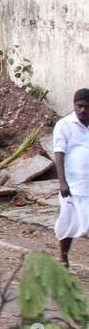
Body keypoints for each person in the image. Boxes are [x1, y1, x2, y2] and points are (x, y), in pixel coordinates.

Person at [53, 88, 89, 267]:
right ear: (74, 105)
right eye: (79, 106)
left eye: (86, 107)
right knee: (68, 221)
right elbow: (59, 153)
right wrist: (62, 182)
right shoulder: (64, 125)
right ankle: (63, 256)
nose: (82, 110)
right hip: (73, 184)